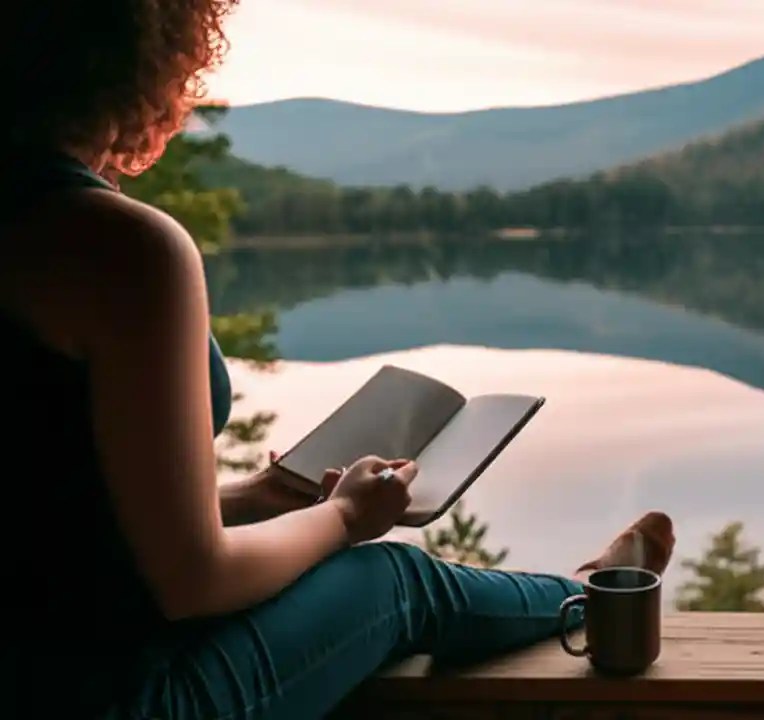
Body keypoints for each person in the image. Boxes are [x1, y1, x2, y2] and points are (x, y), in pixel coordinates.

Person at [0, 3, 676, 718]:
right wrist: (347, 516)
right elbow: (193, 579)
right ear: (143, 55)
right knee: (395, 582)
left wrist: (259, 496)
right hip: (117, 697)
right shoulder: (116, 248)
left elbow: (58, 514)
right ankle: (594, 595)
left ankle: (587, 589)